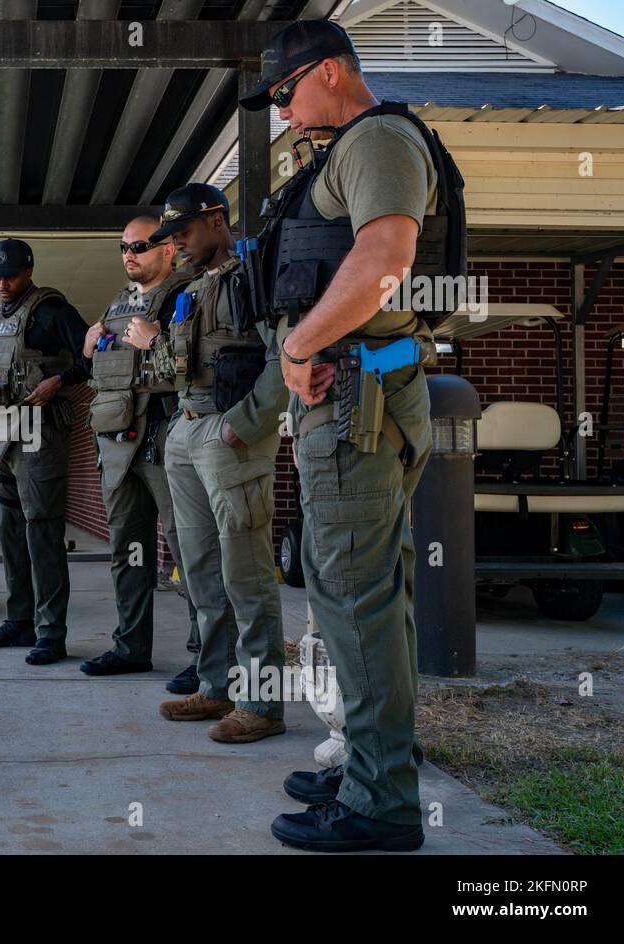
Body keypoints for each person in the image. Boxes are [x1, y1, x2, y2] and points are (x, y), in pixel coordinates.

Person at [240, 19, 443, 852]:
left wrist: (297, 344)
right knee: (360, 596)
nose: (283, 113)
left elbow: (386, 256)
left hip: (357, 396)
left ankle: (381, 804)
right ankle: (373, 760)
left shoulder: (378, 137)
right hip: (351, 396)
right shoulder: (347, 147)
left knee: (355, 599)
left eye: (286, 93)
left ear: (329, 72)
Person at [126, 184, 288, 744]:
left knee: (246, 573)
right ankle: (216, 683)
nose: (180, 246)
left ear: (217, 220)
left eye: (186, 233)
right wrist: (151, 345)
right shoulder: (189, 290)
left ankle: (263, 702)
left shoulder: (254, 275)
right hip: (185, 432)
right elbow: (178, 365)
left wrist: (244, 426)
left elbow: (287, 356)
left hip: (230, 433)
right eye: (171, 238)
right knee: (199, 569)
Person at [77, 216, 201, 682]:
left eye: (142, 245)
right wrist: (88, 350)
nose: (130, 253)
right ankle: (130, 646)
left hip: (169, 437)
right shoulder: (119, 303)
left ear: (169, 248)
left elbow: (202, 366)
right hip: (120, 444)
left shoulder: (191, 293)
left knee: (190, 551)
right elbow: (105, 372)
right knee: (127, 549)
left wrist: (158, 342)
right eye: (124, 246)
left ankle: (204, 655)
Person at [0, 239, 90, 666]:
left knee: (42, 534)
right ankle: (19, 622)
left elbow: (93, 353)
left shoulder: (53, 310)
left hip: (40, 435)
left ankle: (51, 634)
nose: (2, 283)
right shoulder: (0, 318)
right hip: (2, 435)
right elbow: (5, 369)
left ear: (29, 270)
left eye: (10, 275)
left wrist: (60, 380)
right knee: (10, 534)